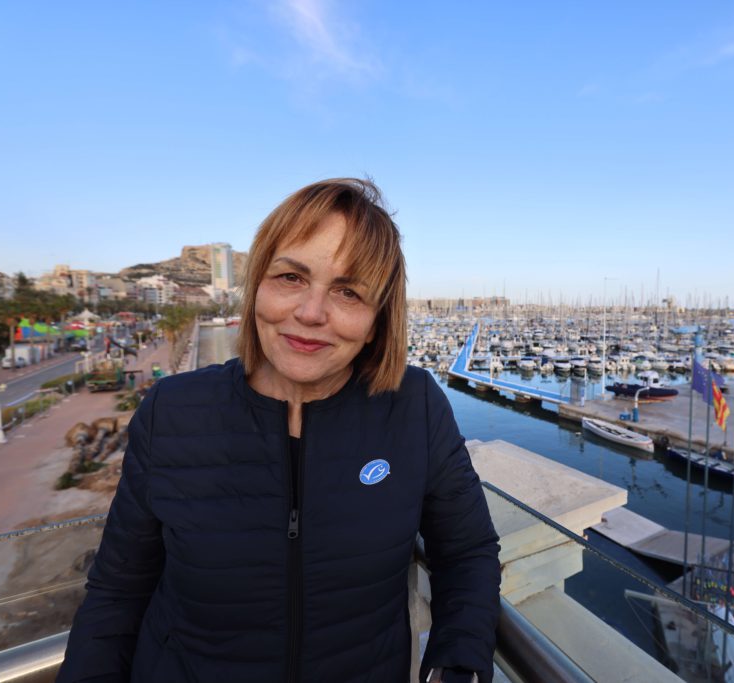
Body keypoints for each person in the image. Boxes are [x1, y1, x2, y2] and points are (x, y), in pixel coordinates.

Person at [58, 179, 501, 682]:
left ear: (377, 320)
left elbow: (467, 553)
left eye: (348, 291)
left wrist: (458, 665)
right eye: (291, 277)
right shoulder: (173, 411)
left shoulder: (414, 406)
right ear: (257, 289)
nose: (310, 313)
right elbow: (118, 592)